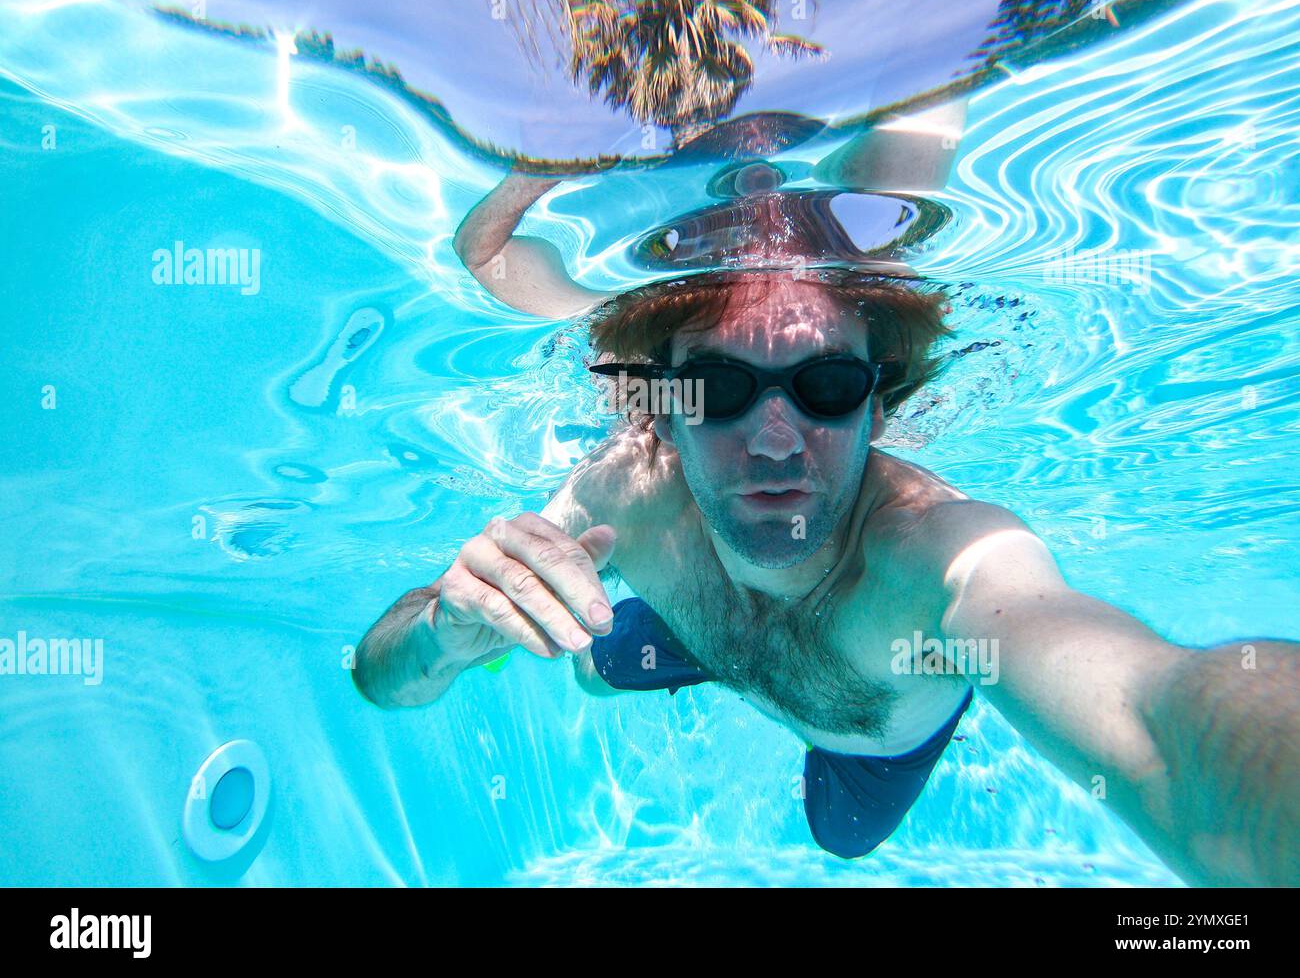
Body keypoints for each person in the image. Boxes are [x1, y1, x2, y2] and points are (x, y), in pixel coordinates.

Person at [354, 177, 1299, 886]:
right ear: (661, 409)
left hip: (870, 744)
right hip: (711, 630)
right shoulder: (623, 494)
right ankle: (690, 649)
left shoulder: (937, 565)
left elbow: (1155, 716)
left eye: (826, 386)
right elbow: (376, 676)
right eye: (720, 387)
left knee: (838, 831)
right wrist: (443, 632)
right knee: (588, 662)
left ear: (875, 410)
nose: (775, 442)